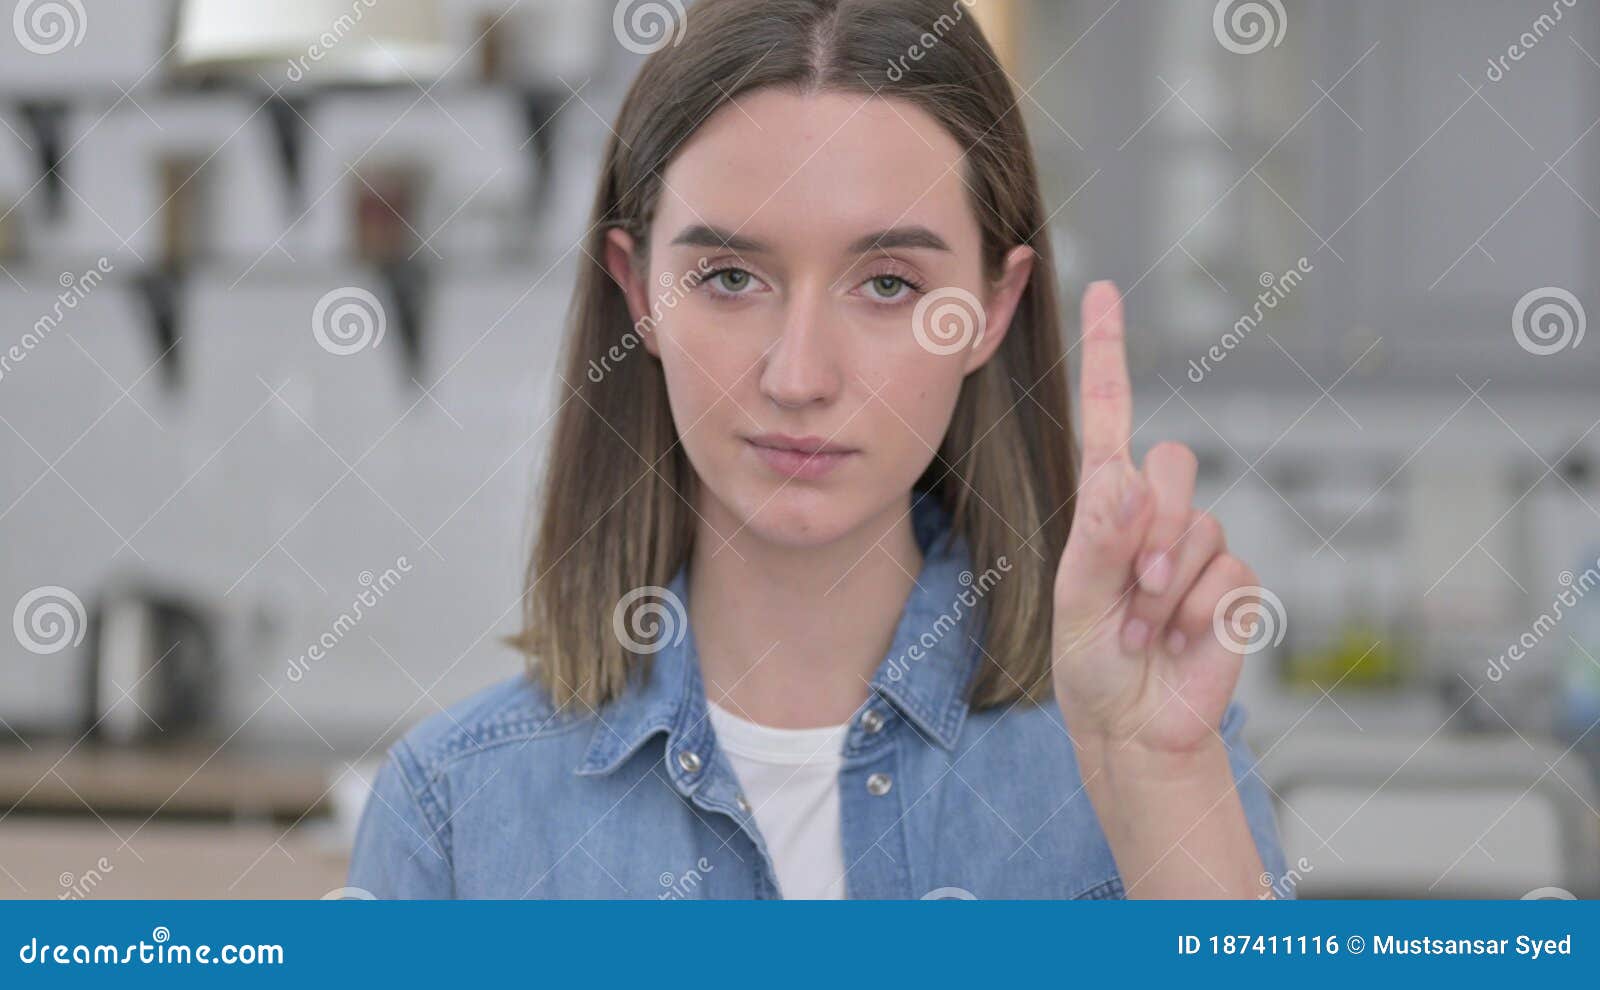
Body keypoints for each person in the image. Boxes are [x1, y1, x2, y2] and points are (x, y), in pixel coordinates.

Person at [347, 0, 1288, 899]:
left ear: (992, 310)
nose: (799, 377)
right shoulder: (456, 814)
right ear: (640, 295)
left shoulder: (1142, 742)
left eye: (886, 283)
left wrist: (1159, 785)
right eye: (726, 276)